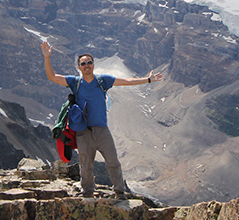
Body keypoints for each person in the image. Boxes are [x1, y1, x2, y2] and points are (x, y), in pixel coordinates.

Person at [41, 40, 163, 198]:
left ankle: (120, 192)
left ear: (93, 65)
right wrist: (46, 58)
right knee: (85, 165)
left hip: (102, 130)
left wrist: (147, 80)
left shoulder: (102, 81)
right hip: (83, 132)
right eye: (83, 63)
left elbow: (125, 82)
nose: (87, 65)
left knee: (113, 162)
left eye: (89, 62)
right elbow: (52, 77)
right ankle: (87, 192)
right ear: (79, 67)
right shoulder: (75, 82)